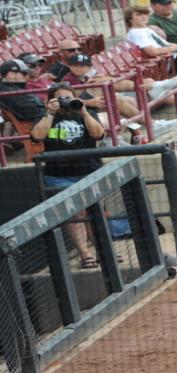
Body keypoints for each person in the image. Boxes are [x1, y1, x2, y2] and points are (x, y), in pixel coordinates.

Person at [29, 85, 106, 268]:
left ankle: (104, 251)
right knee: (75, 214)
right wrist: (50, 113)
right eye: (60, 98)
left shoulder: (86, 112)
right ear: (50, 101)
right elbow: (36, 137)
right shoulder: (44, 114)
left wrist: (84, 112)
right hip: (59, 174)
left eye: (68, 97)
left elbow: (98, 134)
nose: (65, 101)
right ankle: (85, 254)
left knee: (97, 211)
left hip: (89, 170)